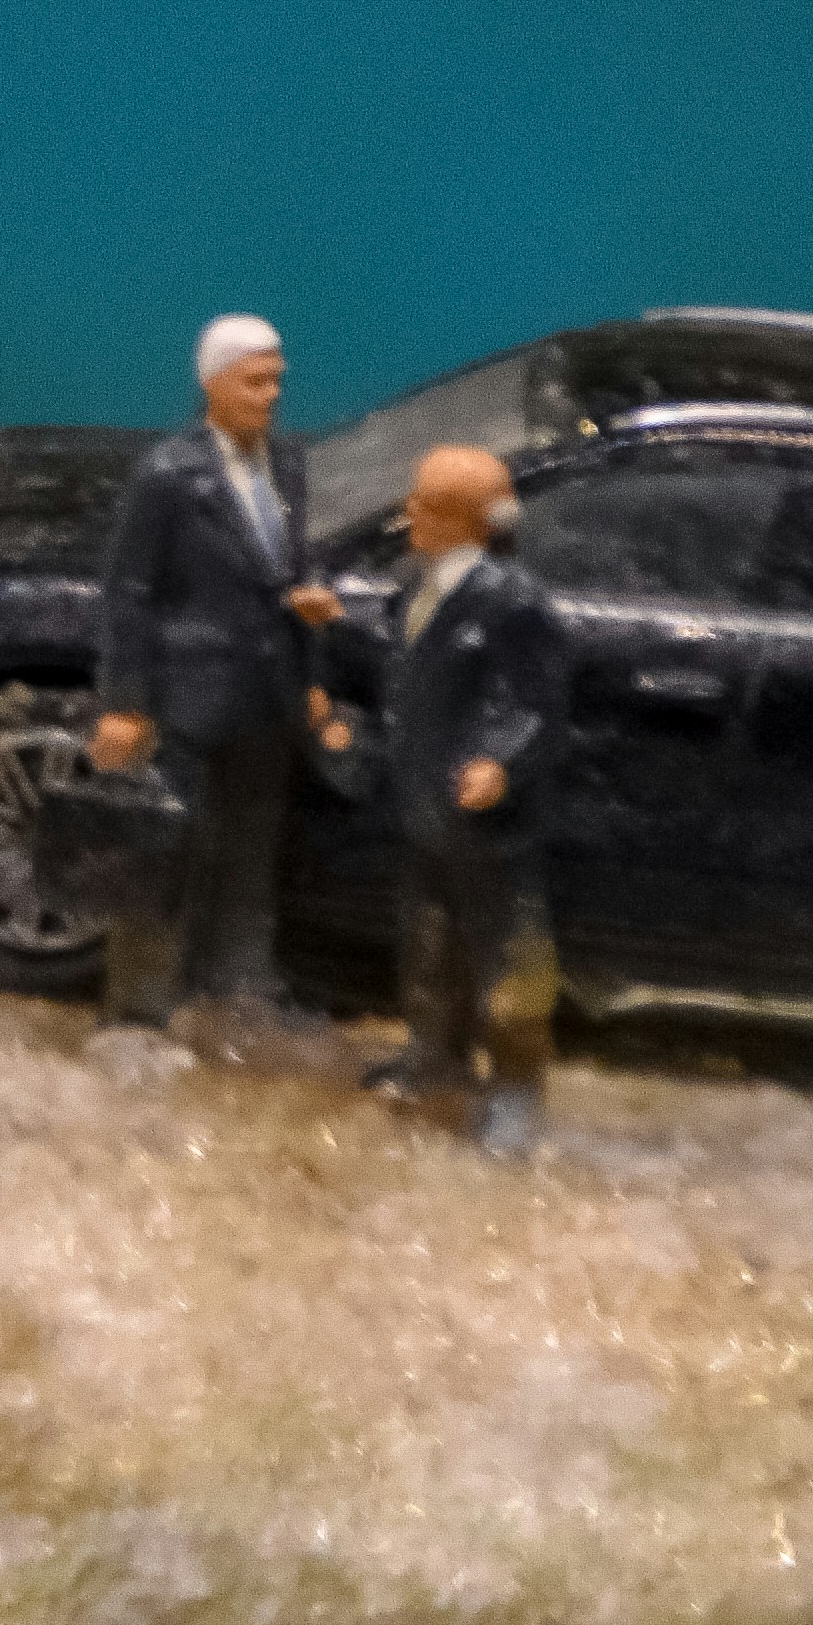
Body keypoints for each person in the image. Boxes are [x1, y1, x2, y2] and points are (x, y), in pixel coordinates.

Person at [84, 315, 344, 1024]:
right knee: (165, 856)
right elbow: (128, 591)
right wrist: (125, 700)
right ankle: (139, 1006)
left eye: (274, 381)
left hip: (267, 694)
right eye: (253, 381)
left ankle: (238, 986)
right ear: (213, 384)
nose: (268, 395)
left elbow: (296, 561)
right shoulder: (169, 475)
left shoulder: (287, 465)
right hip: (187, 695)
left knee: (251, 851)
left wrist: (314, 668)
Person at [364, 445, 566, 1150]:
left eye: (423, 502)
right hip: (425, 809)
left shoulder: (513, 602)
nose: (408, 513)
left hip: (487, 827)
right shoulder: (413, 588)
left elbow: (532, 702)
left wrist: (498, 760)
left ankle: (513, 1090)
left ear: (460, 519)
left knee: (509, 968)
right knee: (426, 947)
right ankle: (433, 1054)